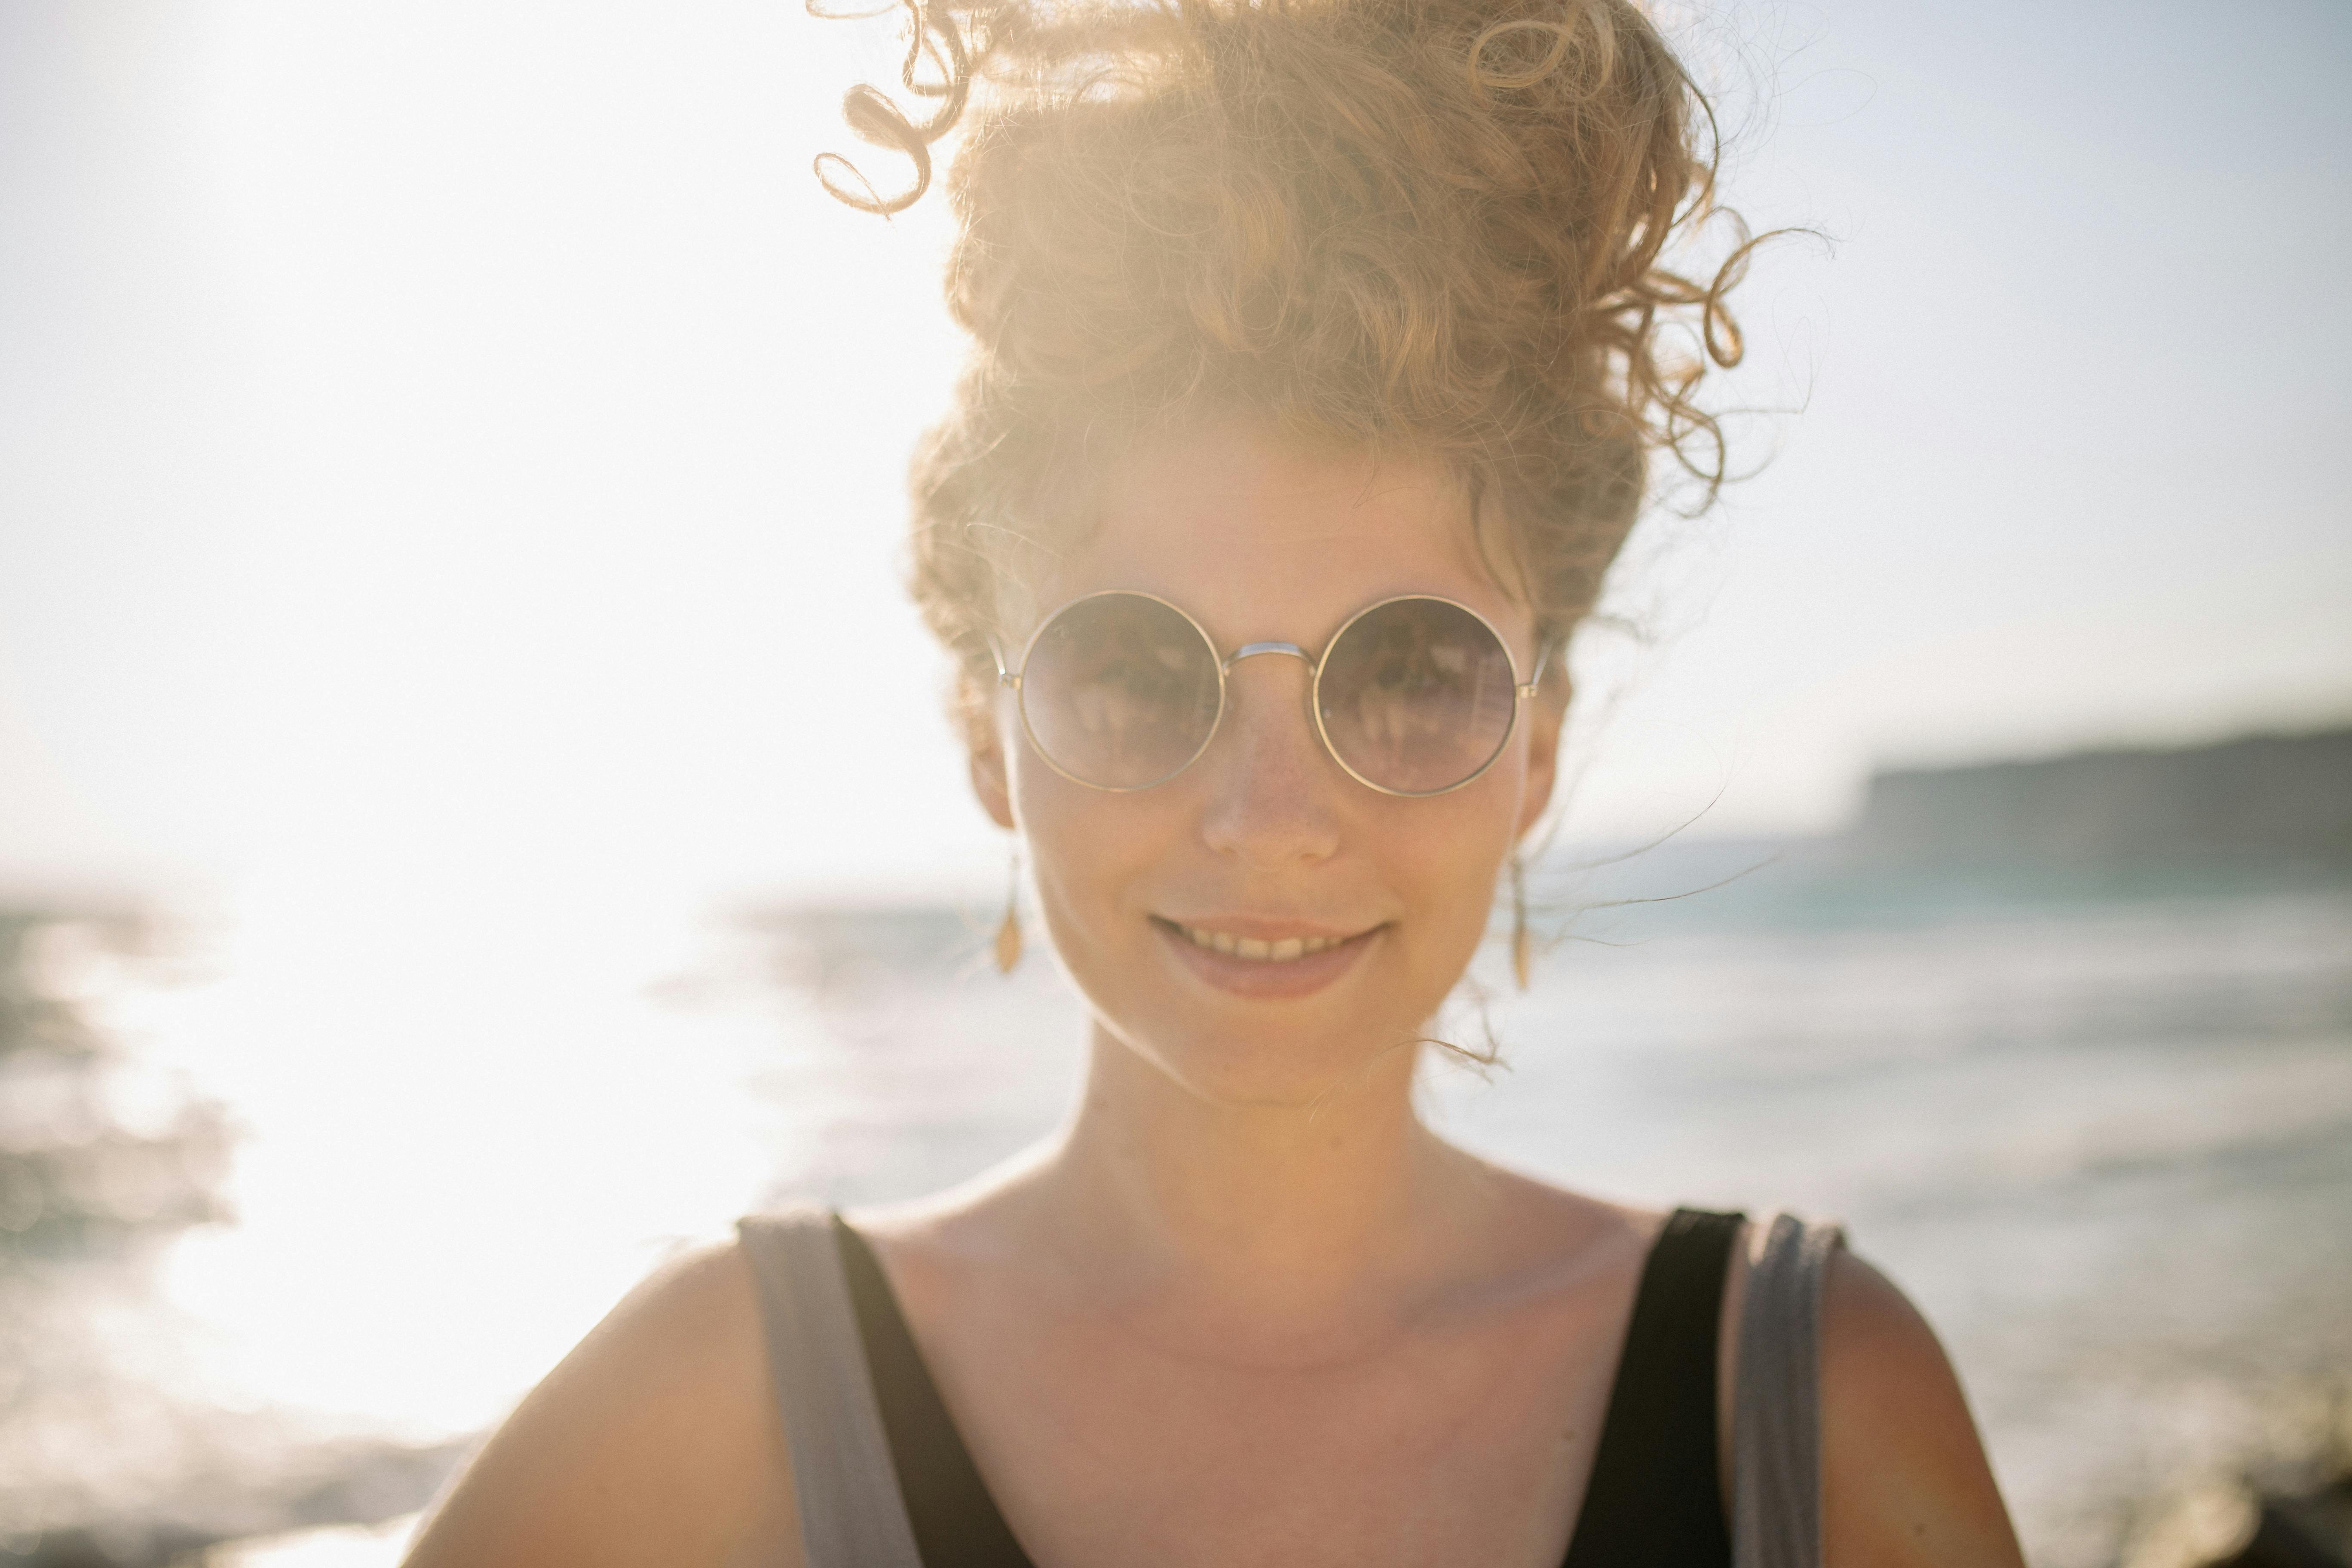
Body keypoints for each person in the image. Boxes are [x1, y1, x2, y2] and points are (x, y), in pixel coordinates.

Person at [405, 0, 2025, 1562]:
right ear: (987, 732)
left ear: (1534, 750)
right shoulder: (707, 1416)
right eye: (1132, 670)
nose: (1269, 815)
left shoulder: (1811, 1406)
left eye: (1406, 674)